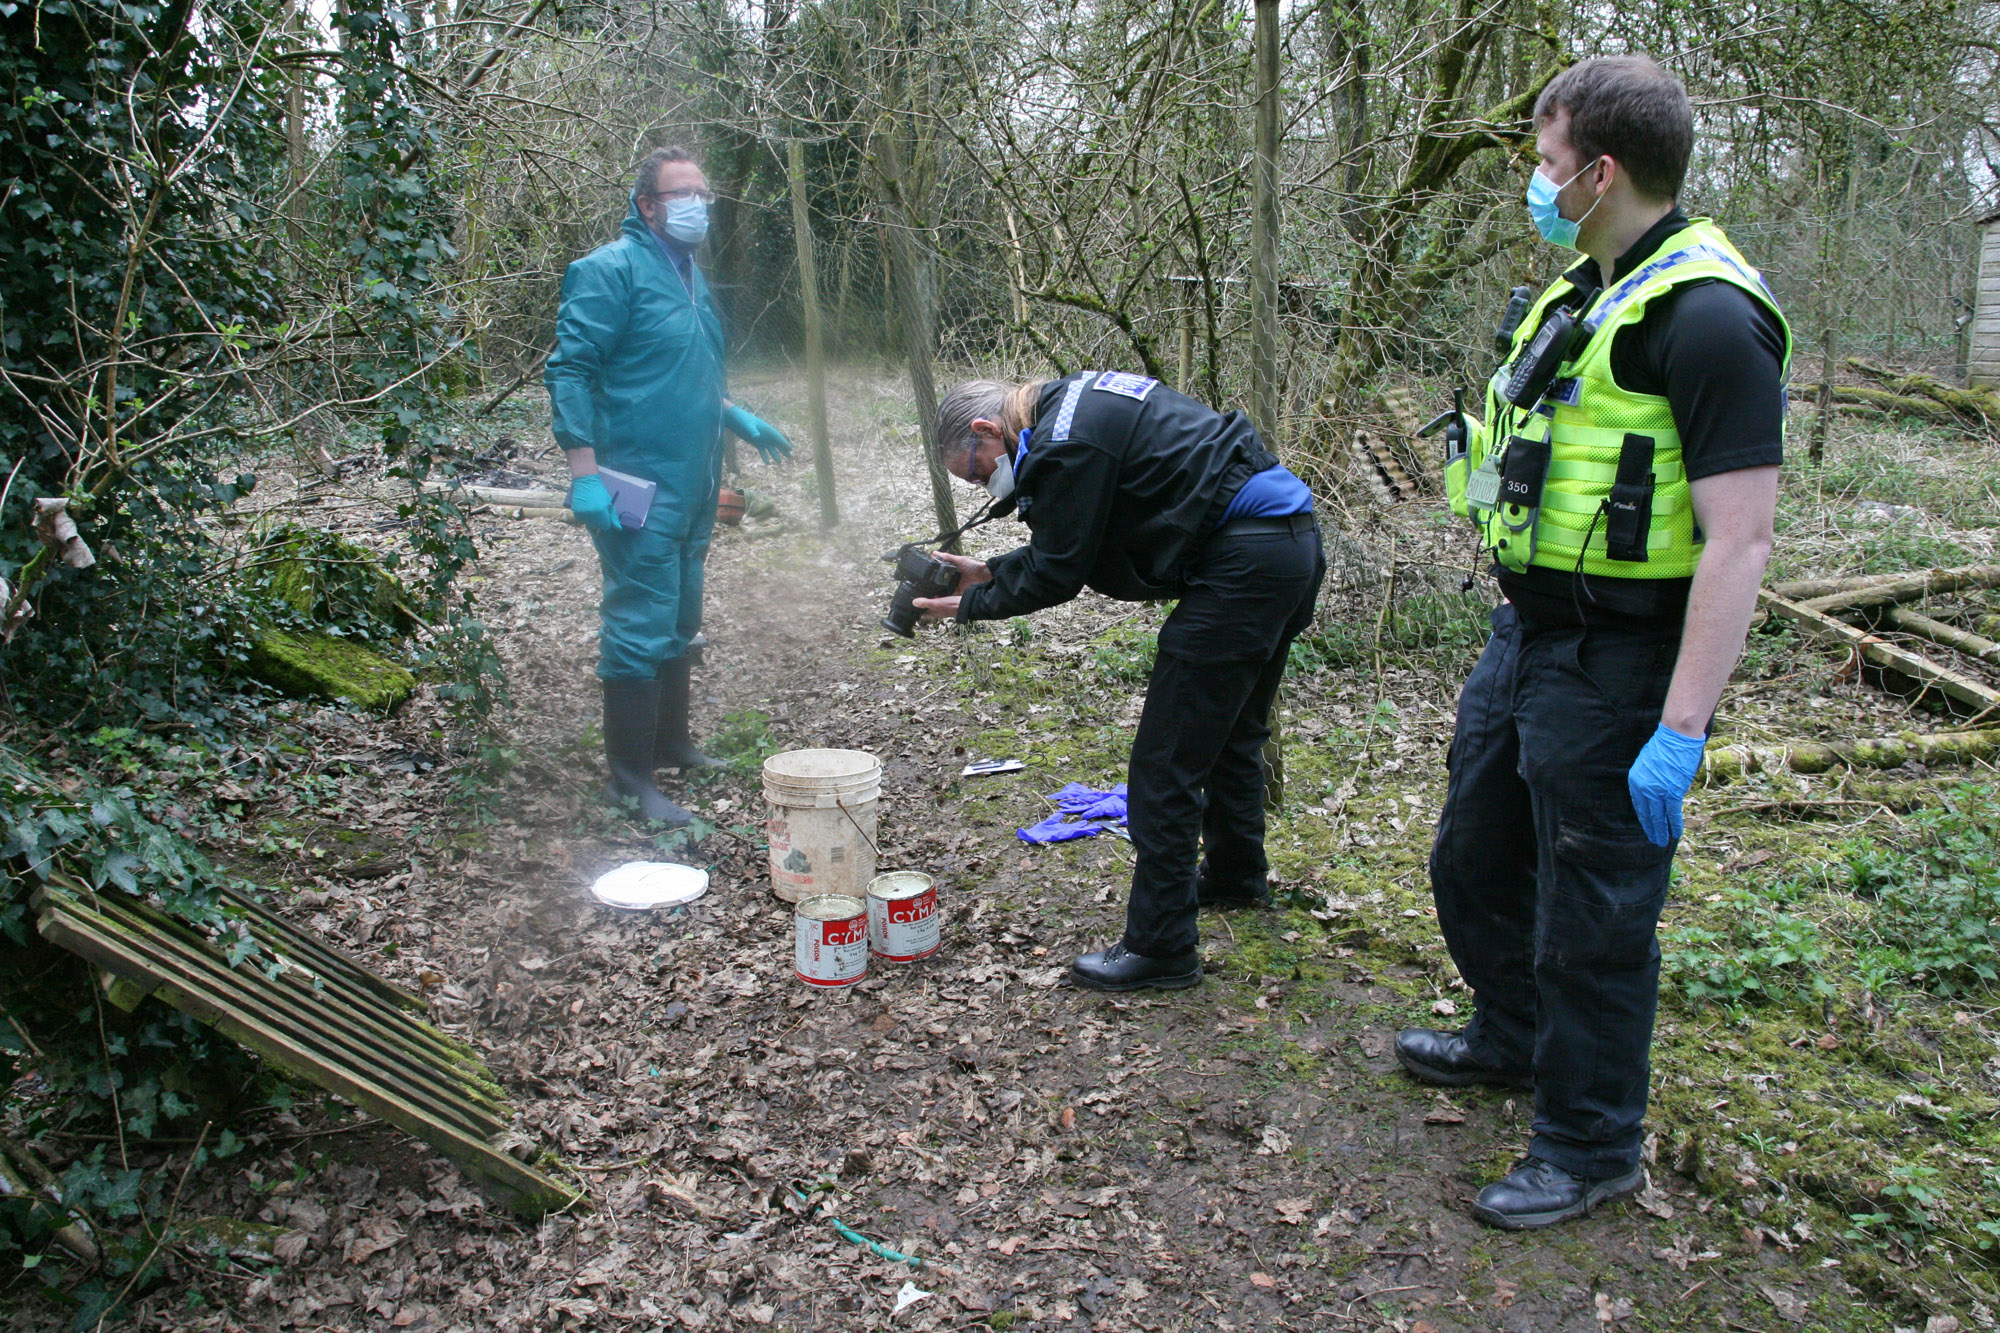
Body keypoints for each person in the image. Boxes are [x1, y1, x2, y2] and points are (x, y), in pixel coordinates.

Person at [1399, 56, 1790, 1229]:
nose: (1535, 176)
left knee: (1595, 916)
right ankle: (1509, 1037)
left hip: (1623, 659)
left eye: (1545, 156)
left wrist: (1678, 729)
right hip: (1528, 634)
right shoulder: (1582, 289)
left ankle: (1588, 1142)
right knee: (1471, 858)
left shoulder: (1710, 317)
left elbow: (1740, 540)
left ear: (1600, 170)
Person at [914, 373, 1325, 991]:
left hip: (1243, 565)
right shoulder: (1074, 409)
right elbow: (1073, 540)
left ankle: (1162, 948)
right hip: (1288, 544)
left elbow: (1058, 572)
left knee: (1165, 765)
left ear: (985, 431)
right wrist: (990, 571)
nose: (983, 487)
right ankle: (1239, 875)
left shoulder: (1065, 445)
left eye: (975, 474)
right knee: (1234, 732)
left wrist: (971, 604)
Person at [545, 146, 794, 825]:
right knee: (639, 620)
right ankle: (627, 782)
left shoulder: (689, 274)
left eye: (704, 193)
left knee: (681, 616)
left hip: (692, 484)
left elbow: (672, 371)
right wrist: (584, 474)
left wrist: (731, 414)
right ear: (647, 205)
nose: (697, 205)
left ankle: (671, 743)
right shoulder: (607, 272)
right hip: (629, 483)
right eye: (681, 193)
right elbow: (571, 372)